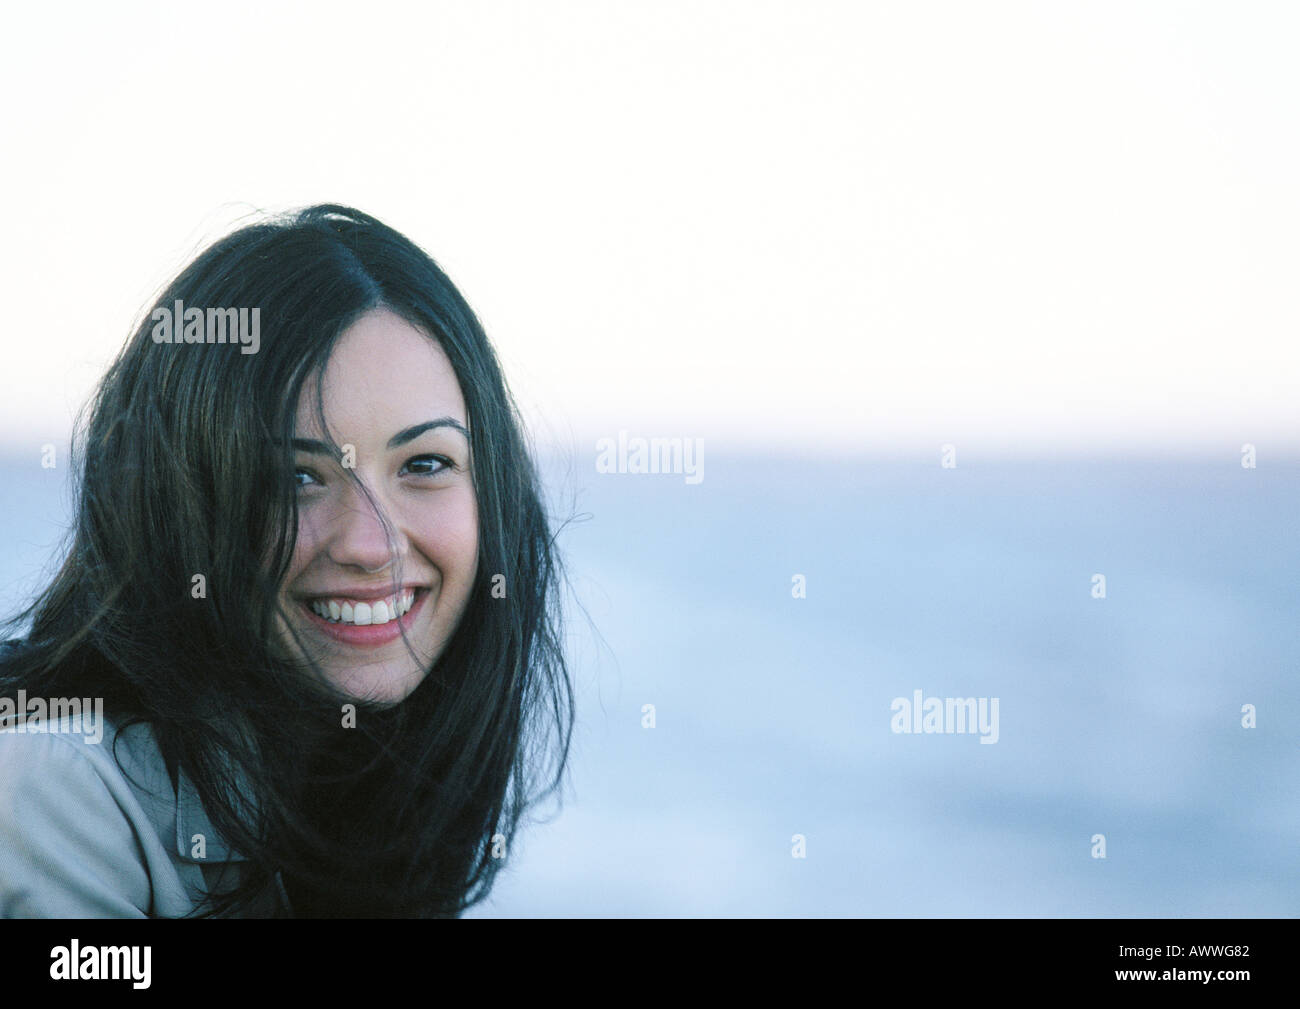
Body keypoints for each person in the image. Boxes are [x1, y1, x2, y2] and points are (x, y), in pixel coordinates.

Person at [0, 205, 574, 918]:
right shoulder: (56, 791)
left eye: (425, 463)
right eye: (295, 478)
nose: (370, 544)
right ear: (175, 501)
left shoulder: (362, 793)